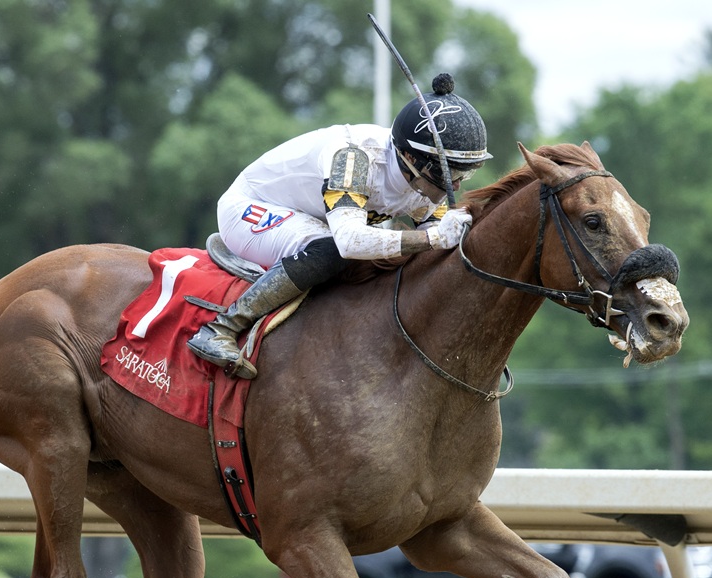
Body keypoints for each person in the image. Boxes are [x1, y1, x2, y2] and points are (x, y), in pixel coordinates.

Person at [187, 73, 491, 378]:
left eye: (464, 173)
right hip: (250, 208)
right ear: (410, 156)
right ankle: (222, 327)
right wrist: (435, 238)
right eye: (447, 172)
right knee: (332, 251)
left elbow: (434, 245)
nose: (455, 184)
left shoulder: (421, 172)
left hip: (316, 220)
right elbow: (350, 242)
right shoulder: (354, 159)